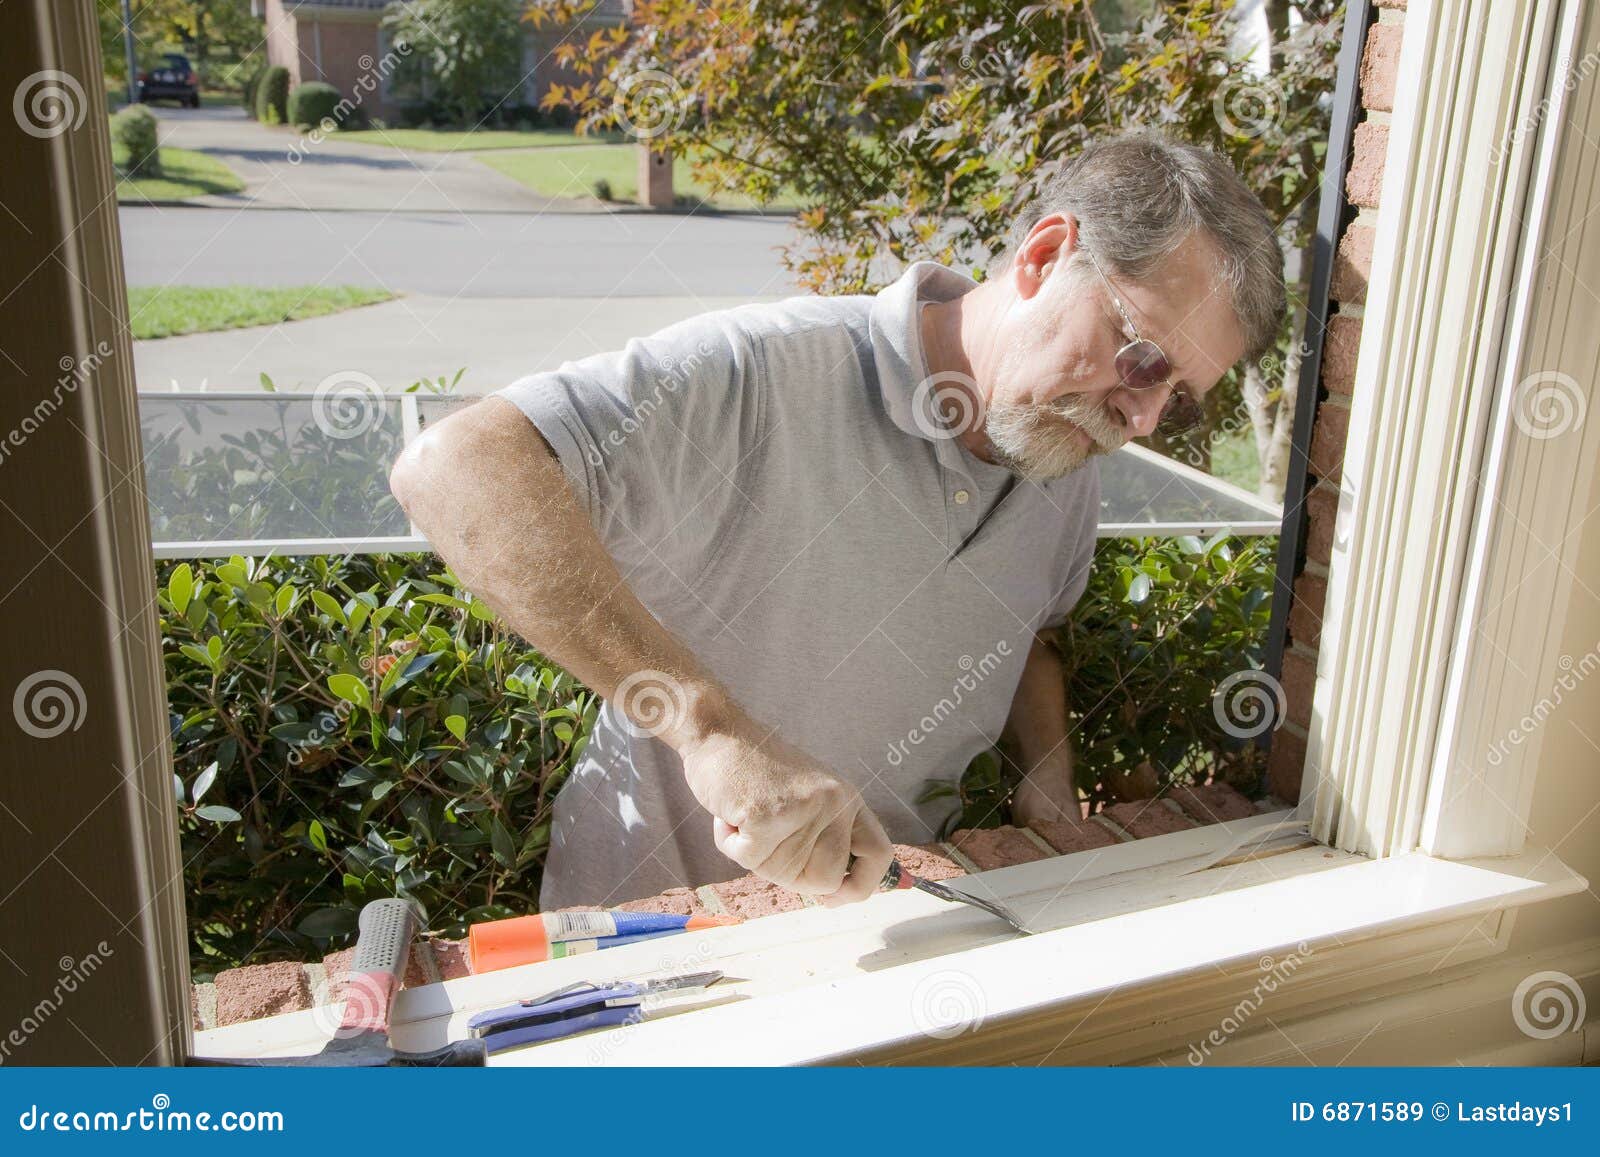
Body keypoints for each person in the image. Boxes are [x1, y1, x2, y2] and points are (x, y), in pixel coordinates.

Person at [389, 129, 1285, 911]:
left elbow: (1031, 635)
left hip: (875, 932)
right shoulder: (768, 370)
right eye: (1140, 357)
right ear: (1048, 254)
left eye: (1179, 399)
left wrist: (1046, 788)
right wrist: (711, 729)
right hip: (649, 944)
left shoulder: (1062, 453)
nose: (1140, 420)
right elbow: (456, 467)